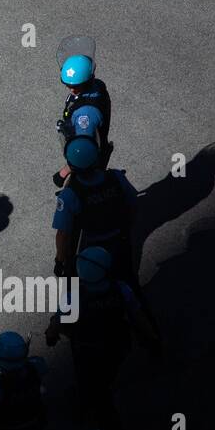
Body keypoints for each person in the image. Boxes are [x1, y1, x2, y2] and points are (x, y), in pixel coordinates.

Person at [46, 247, 162, 430]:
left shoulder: (75, 296)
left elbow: (57, 324)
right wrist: (152, 338)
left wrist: (51, 335)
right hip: (117, 347)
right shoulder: (121, 289)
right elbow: (138, 317)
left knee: (102, 403)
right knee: (104, 379)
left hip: (88, 351)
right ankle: (87, 397)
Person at [53, 136, 139, 287]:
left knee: (87, 285)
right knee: (128, 281)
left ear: (72, 166)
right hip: (121, 239)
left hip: (90, 245)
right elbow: (133, 202)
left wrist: (60, 261)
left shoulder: (69, 195)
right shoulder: (117, 177)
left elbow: (63, 234)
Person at [54, 52, 112, 185]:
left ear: (87, 80)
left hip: (89, 167)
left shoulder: (85, 116)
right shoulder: (96, 86)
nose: (70, 89)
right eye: (68, 84)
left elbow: (84, 153)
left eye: (75, 86)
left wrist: (63, 173)